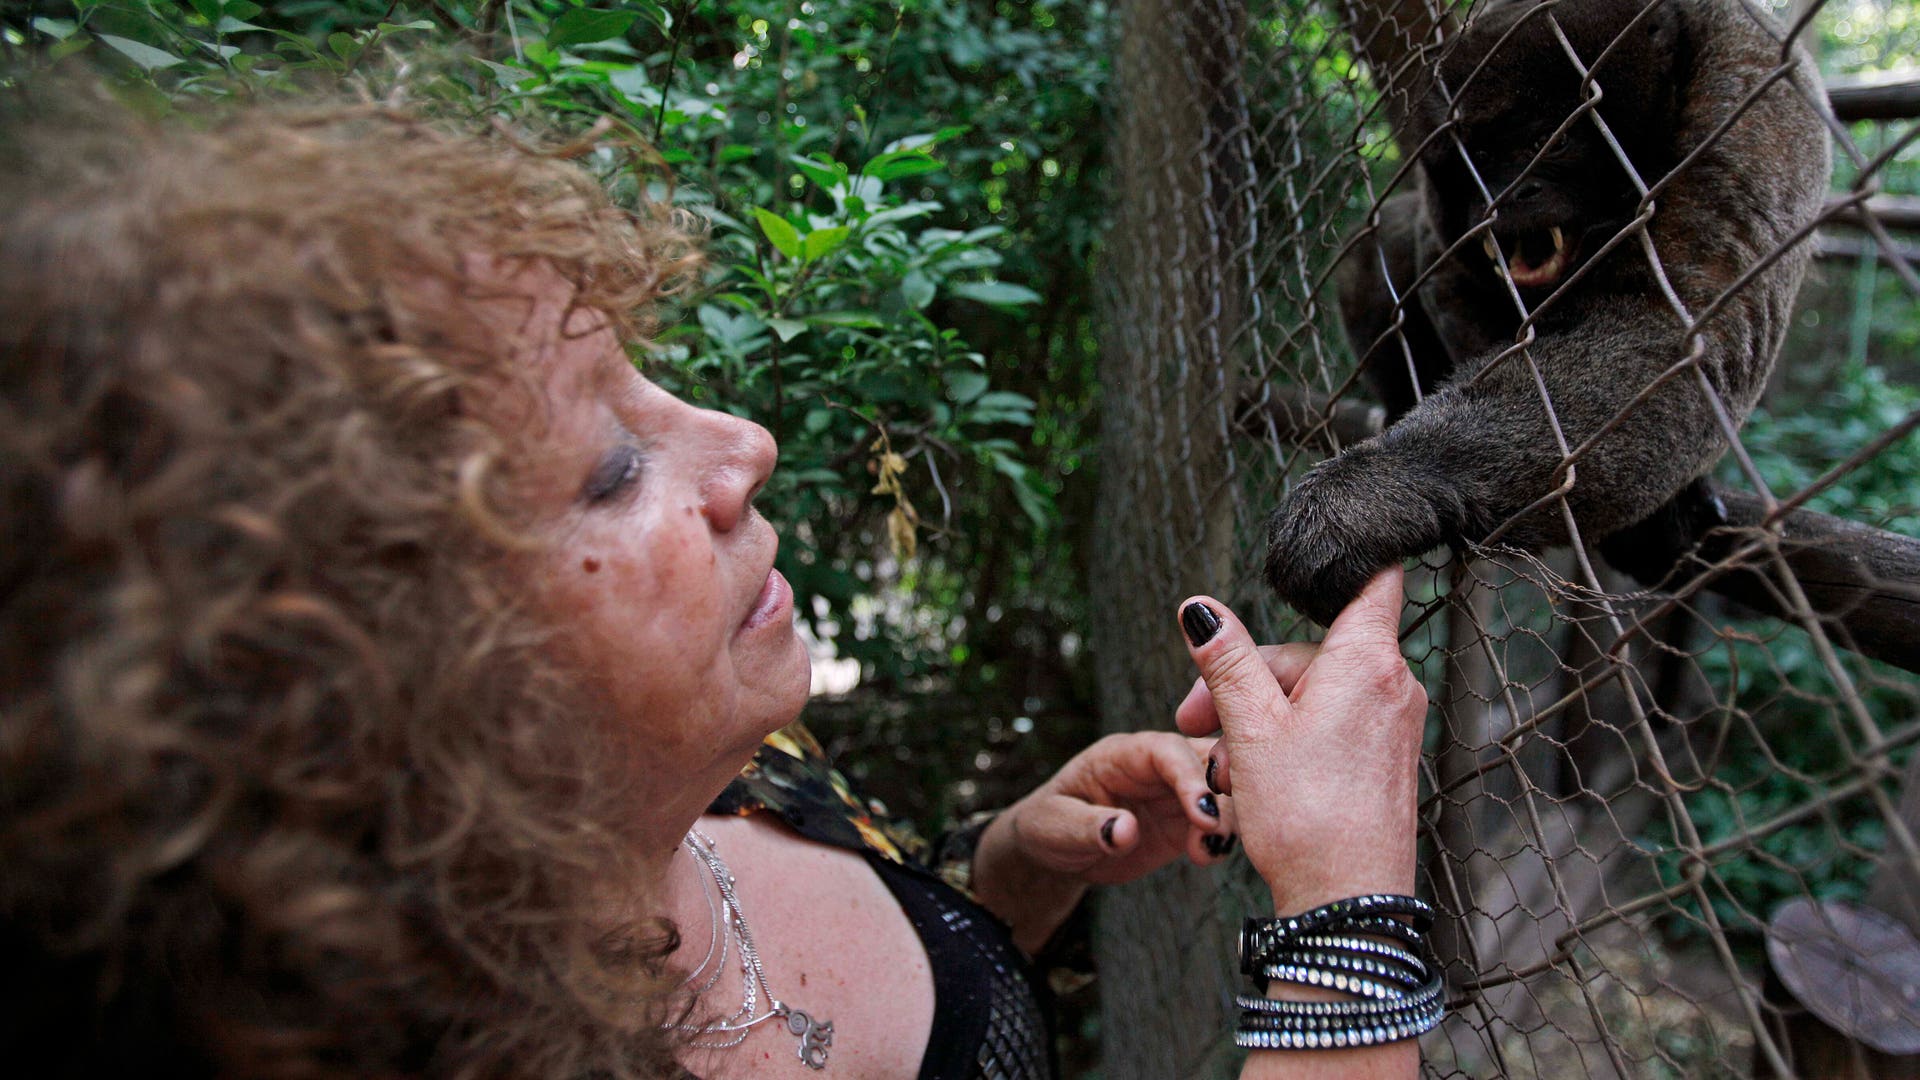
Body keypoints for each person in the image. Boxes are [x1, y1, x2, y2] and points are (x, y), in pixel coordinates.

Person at [0, 98, 1431, 1080]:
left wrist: (1008, 876)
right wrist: (1346, 928)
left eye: (650, 381)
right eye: (613, 466)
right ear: (380, 676)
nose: (744, 444)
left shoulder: (744, 772)